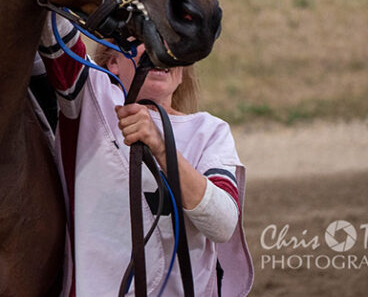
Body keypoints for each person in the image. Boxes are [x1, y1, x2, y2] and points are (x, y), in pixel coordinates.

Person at [38, 16, 253, 296]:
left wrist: (161, 145)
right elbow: (51, 21)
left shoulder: (209, 131)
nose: (158, 46)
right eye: (139, 38)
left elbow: (222, 223)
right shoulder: (89, 95)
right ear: (112, 61)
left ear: (183, 67)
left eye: (171, 40)